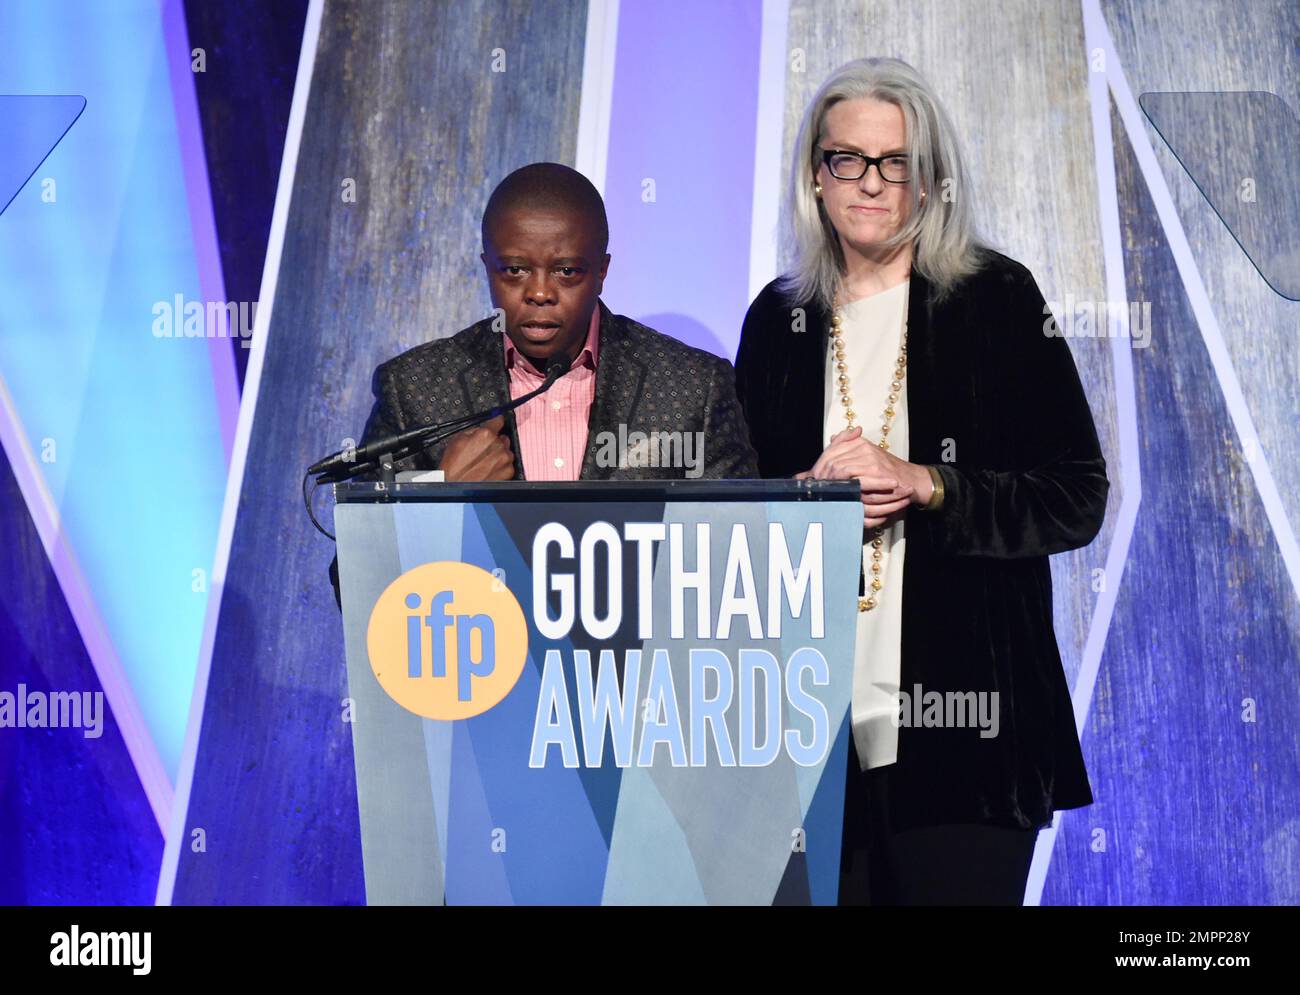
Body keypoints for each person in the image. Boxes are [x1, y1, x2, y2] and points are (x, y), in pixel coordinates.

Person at [734, 57, 1109, 905]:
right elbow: (738, 517)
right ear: (814, 175)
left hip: (966, 742)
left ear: (930, 179)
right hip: (806, 742)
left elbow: (1076, 492)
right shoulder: (775, 320)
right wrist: (800, 502)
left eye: (895, 162)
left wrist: (929, 483)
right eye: (847, 159)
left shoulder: (997, 299)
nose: (871, 183)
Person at [357, 162, 758, 484]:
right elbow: (358, 573)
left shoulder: (691, 387)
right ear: (487, 268)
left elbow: (739, 555)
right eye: (514, 270)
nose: (540, 292)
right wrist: (440, 496)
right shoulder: (415, 390)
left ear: (602, 271)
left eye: (566, 271)